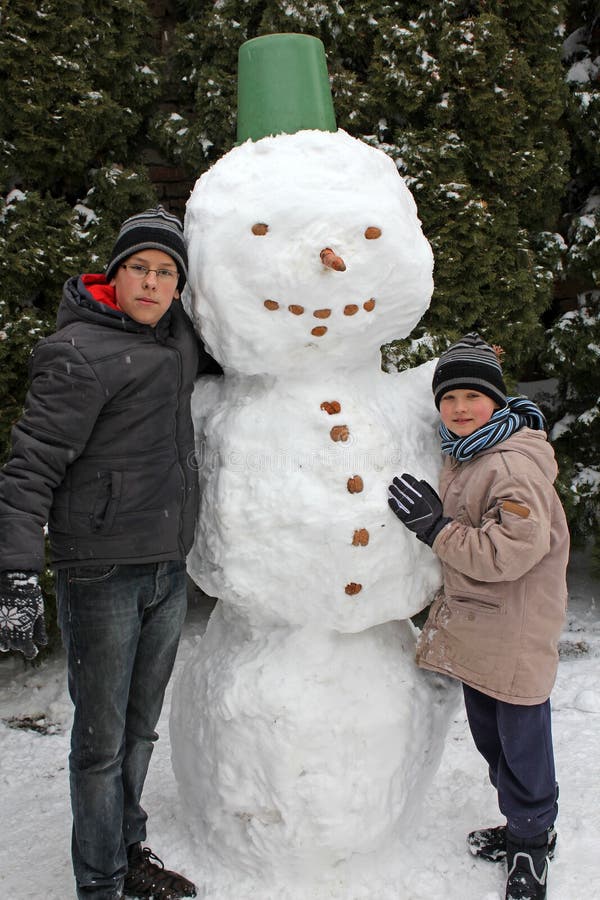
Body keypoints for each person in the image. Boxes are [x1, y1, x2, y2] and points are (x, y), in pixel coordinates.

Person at [0, 206, 221, 899]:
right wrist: (14, 574)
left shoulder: (177, 339)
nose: (153, 283)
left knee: (139, 730)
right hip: (100, 570)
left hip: (166, 563)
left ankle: (128, 853)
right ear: (114, 275)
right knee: (99, 743)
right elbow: (29, 466)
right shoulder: (79, 355)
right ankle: (100, 884)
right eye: (140, 269)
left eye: (166, 273)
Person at [387, 333, 569, 900]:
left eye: (473, 396)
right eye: (449, 398)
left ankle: (532, 847)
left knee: (522, 747)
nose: (460, 408)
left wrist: (434, 529)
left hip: (513, 632)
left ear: (497, 402)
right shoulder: (469, 453)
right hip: (482, 629)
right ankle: (523, 825)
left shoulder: (511, 465)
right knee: (496, 743)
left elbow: (508, 552)